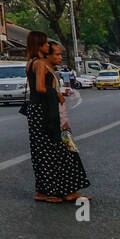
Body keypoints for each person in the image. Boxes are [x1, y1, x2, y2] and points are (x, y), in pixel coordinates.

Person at [26, 33, 90, 204]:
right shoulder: (39, 64)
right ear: (39, 46)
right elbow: (40, 88)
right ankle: (48, 191)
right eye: (45, 43)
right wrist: (57, 94)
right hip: (44, 111)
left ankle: (66, 190)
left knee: (55, 150)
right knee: (50, 152)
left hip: (39, 110)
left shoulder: (32, 63)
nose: (47, 45)